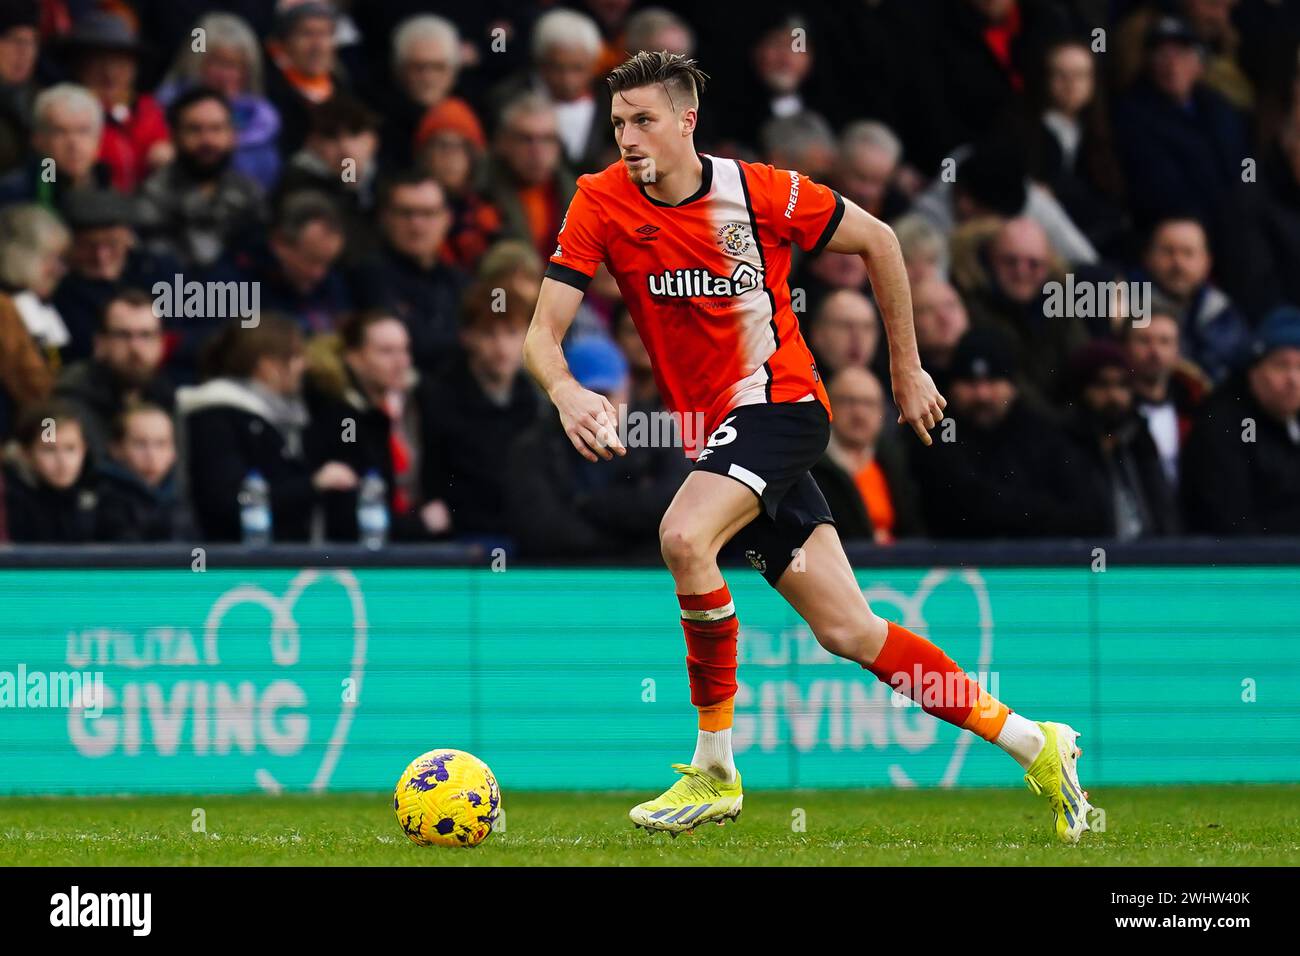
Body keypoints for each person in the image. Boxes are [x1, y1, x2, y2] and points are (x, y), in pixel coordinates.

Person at [525, 52, 1095, 842]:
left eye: (644, 120)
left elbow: (883, 241)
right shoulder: (599, 201)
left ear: (687, 121)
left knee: (685, 537)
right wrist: (567, 391)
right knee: (850, 631)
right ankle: (1037, 743)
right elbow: (540, 335)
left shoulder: (760, 192)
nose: (627, 137)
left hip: (781, 405)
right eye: (618, 122)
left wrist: (905, 367)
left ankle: (715, 767)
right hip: (720, 434)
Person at [178, 315, 357, 542]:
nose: (305, 365)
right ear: (267, 365)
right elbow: (226, 502)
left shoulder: (295, 413)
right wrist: (313, 485)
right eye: (296, 356)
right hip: (235, 567)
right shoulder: (216, 416)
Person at [507, 335, 688, 557]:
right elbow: (543, 532)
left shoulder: (658, 433)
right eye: (588, 396)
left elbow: (677, 508)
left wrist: (588, 505)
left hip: (645, 575)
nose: (598, 407)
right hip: (566, 577)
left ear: (626, 389)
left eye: (606, 394)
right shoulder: (533, 447)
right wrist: (628, 537)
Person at [419, 284, 540, 542]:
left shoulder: (534, 400)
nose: (501, 347)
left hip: (527, 533)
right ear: (467, 337)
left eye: (511, 333)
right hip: (464, 537)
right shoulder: (441, 398)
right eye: (489, 334)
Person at [1182, 307, 1300, 534]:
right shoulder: (1222, 427)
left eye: (1299, 367)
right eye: (1281, 365)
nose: (1293, 379)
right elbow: (1230, 522)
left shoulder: (1290, 420)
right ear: (1254, 370)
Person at [1061, 340, 1181, 540]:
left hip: (1148, 561)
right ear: (1082, 389)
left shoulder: (1139, 438)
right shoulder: (1063, 445)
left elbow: (1164, 512)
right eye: (1102, 385)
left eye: (1122, 385)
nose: (1114, 396)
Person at [135, 87, 265, 270]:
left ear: (232, 135)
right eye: (194, 130)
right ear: (175, 136)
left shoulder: (249, 191)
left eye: (217, 129)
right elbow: (158, 265)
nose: (207, 140)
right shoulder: (154, 194)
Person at [55, 288, 175, 465]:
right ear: (99, 343)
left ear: (161, 344)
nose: (135, 348)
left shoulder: (167, 398)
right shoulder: (68, 401)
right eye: (123, 335)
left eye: (146, 335)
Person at [811, 366, 921, 544]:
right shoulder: (809, 466)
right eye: (848, 401)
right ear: (828, 405)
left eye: (868, 403)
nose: (859, 413)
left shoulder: (895, 461)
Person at [93, 402, 191, 542]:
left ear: (174, 452)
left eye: (161, 443)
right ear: (116, 449)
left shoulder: (180, 498)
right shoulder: (101, 501)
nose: (151, 455)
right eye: (139, 444)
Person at [2, 400, 97, 542]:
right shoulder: (8, 500)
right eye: (49, 450)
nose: (62, 461)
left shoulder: (104, 492)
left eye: (70, 448)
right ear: (26, 454)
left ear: (84, 449)